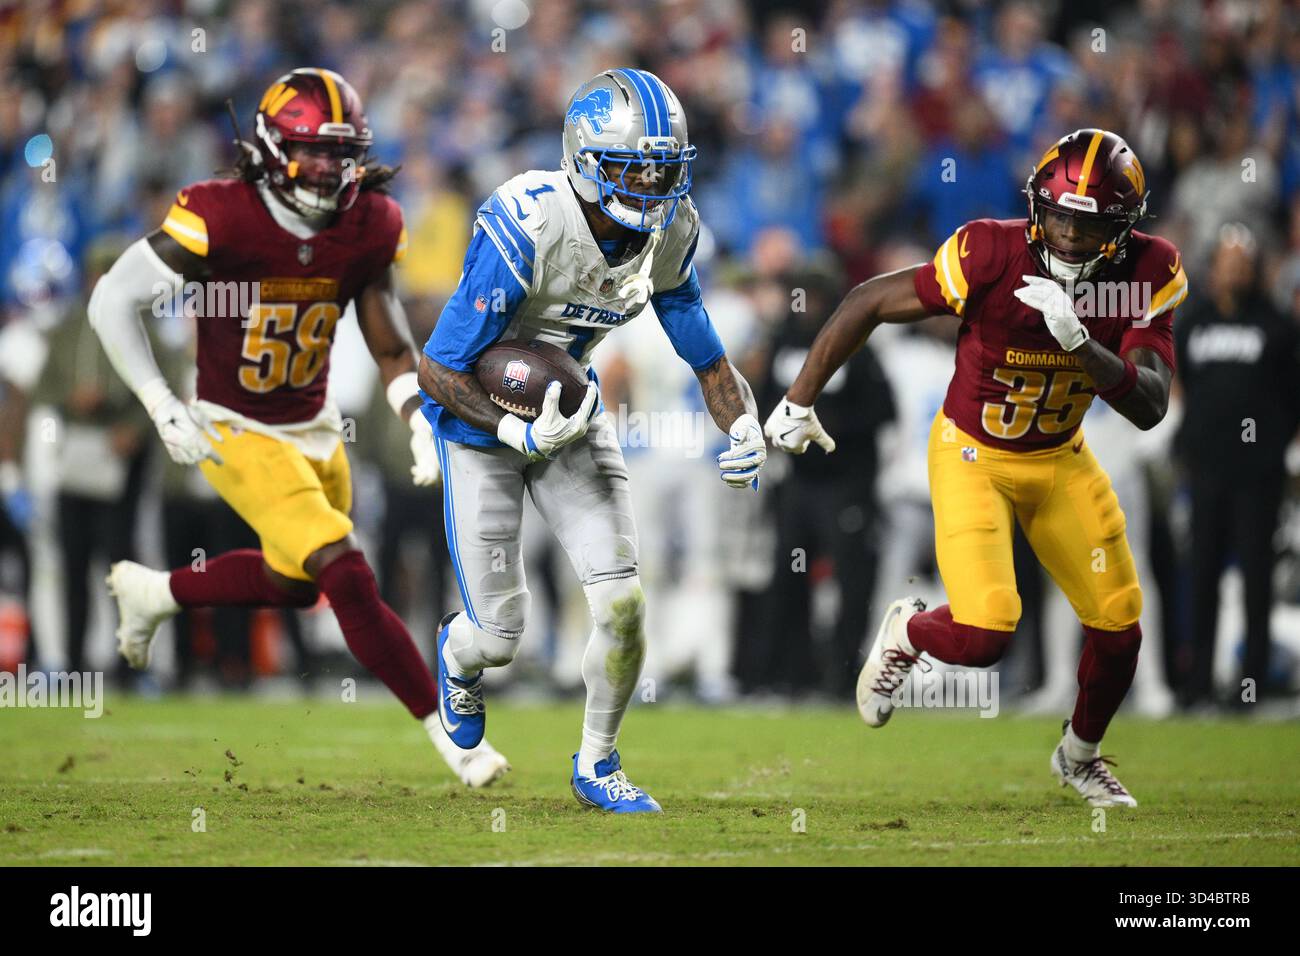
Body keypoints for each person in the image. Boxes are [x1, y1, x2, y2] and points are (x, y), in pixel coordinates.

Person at [86, 67, 508, 788]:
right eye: (310, 151)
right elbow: (111, 301)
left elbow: (387, 339)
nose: (326, 168)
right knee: (345, 572)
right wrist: (161, 403)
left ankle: (156, 593)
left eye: (340, 154)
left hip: (314, 425)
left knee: (290, 582)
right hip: (235, 426)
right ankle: (451, 735)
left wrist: (413, 416)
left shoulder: (369, 221)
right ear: (270, 147)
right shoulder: (223, 215)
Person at [765, 129, 1188, 807]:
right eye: (1056, 218)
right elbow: (870, 300)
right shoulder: (990, 250)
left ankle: (1078, 757)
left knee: (1120, 629)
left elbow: (1148, 405)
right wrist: (799, 398)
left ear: (1122, 229)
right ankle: (907, 629)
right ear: (1036, 208)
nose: (1069, 238)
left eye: (1087, 225)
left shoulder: (1148, 270)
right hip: (973, 454)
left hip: (1059, 457)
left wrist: (1078, 342)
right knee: (987, 632)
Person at [419, 69, 767, 812]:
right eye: (631, 166)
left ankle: (599, 761)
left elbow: (705, 353)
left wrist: (742, 423)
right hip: (481, 424)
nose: (649, 183)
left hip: (573, 410)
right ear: (584, 156)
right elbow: (437, 368)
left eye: (660, 167)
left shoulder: (670, 228)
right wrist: (514, 426)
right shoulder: (529, 217)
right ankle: (457, 656)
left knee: (622, 602)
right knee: (500, 635)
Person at [1175, 223, 1300, 709]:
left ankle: (1251, 682)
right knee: (1201, 573)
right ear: (1213, 268)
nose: (1235, 270)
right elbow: (1179, 379)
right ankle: (1198, 683)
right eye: (1228, 262)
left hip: (1257, 474)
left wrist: (1277, 451)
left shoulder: (1276, 325)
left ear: (1254, 270)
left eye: (1243, 263)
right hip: (1205, 469)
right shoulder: (1195, 320)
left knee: (1255, 575)